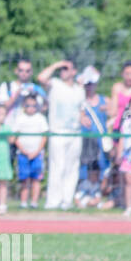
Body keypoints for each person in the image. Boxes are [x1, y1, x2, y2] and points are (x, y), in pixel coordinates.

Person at [38, 59, 82, 209]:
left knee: (72, 167)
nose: (63, 71)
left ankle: (66, 200)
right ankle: (53, 201)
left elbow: (80, 109)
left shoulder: (79, 89)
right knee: (58, 166)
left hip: (75, 133)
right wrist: (56, 64)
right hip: (58, 131)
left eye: (66, 69)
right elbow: (41, 78)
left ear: (74, 71)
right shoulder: (55, 84)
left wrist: (84, 119)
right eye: (62, 69)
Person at [12, 93, 48, 208]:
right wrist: (24, 151)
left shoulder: (41, 118)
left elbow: (44, 136)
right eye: (28, 105)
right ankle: (23, 202)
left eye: (33, 105)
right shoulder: (20, 118)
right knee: (24, 179)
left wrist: (37, 151)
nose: (31, 108)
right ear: (24, 106)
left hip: (37, 154)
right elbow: (15, 137)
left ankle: (34, 202)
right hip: (23, 154)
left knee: (36, 179)